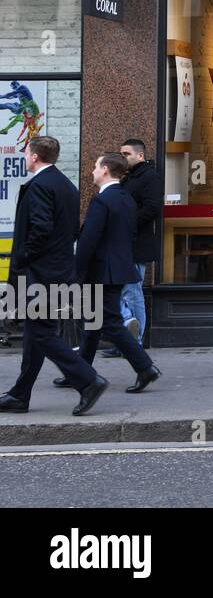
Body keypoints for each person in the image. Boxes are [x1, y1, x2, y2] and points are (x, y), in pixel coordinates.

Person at [0, 136, 108, 416]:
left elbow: (41, 229)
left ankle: (88, 380)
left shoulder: (40, 186)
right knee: (35, 335)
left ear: (35, 156)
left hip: (41, 274)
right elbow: (71, 230)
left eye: (26, 152)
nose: (25, 156)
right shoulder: (65, 185)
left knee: (43, 334)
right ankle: (20, 395)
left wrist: (22, 257)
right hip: (58, 270)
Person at [53, 153, 161, 395]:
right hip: (119, 267)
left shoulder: (102, 201)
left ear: (104, 170)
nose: (91, 171)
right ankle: (81, 372)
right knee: (95, 323)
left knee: (109, 323)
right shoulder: (126, 198)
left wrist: (76, 274)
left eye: (94, 166)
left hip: (102, 270)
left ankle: (145, 367)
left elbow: (88, 241)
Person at [116, 138, 162, 347]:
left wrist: (127, 223)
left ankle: (135, 341)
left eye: (126, 154)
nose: (123, 158)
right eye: (121, 154)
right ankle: (127, 339)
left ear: (140, 155)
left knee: (132, 293)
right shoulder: (129, 177)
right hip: (125, 243)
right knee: (125, 292)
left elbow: (152, 209)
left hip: (137, 244)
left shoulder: (149, 177)